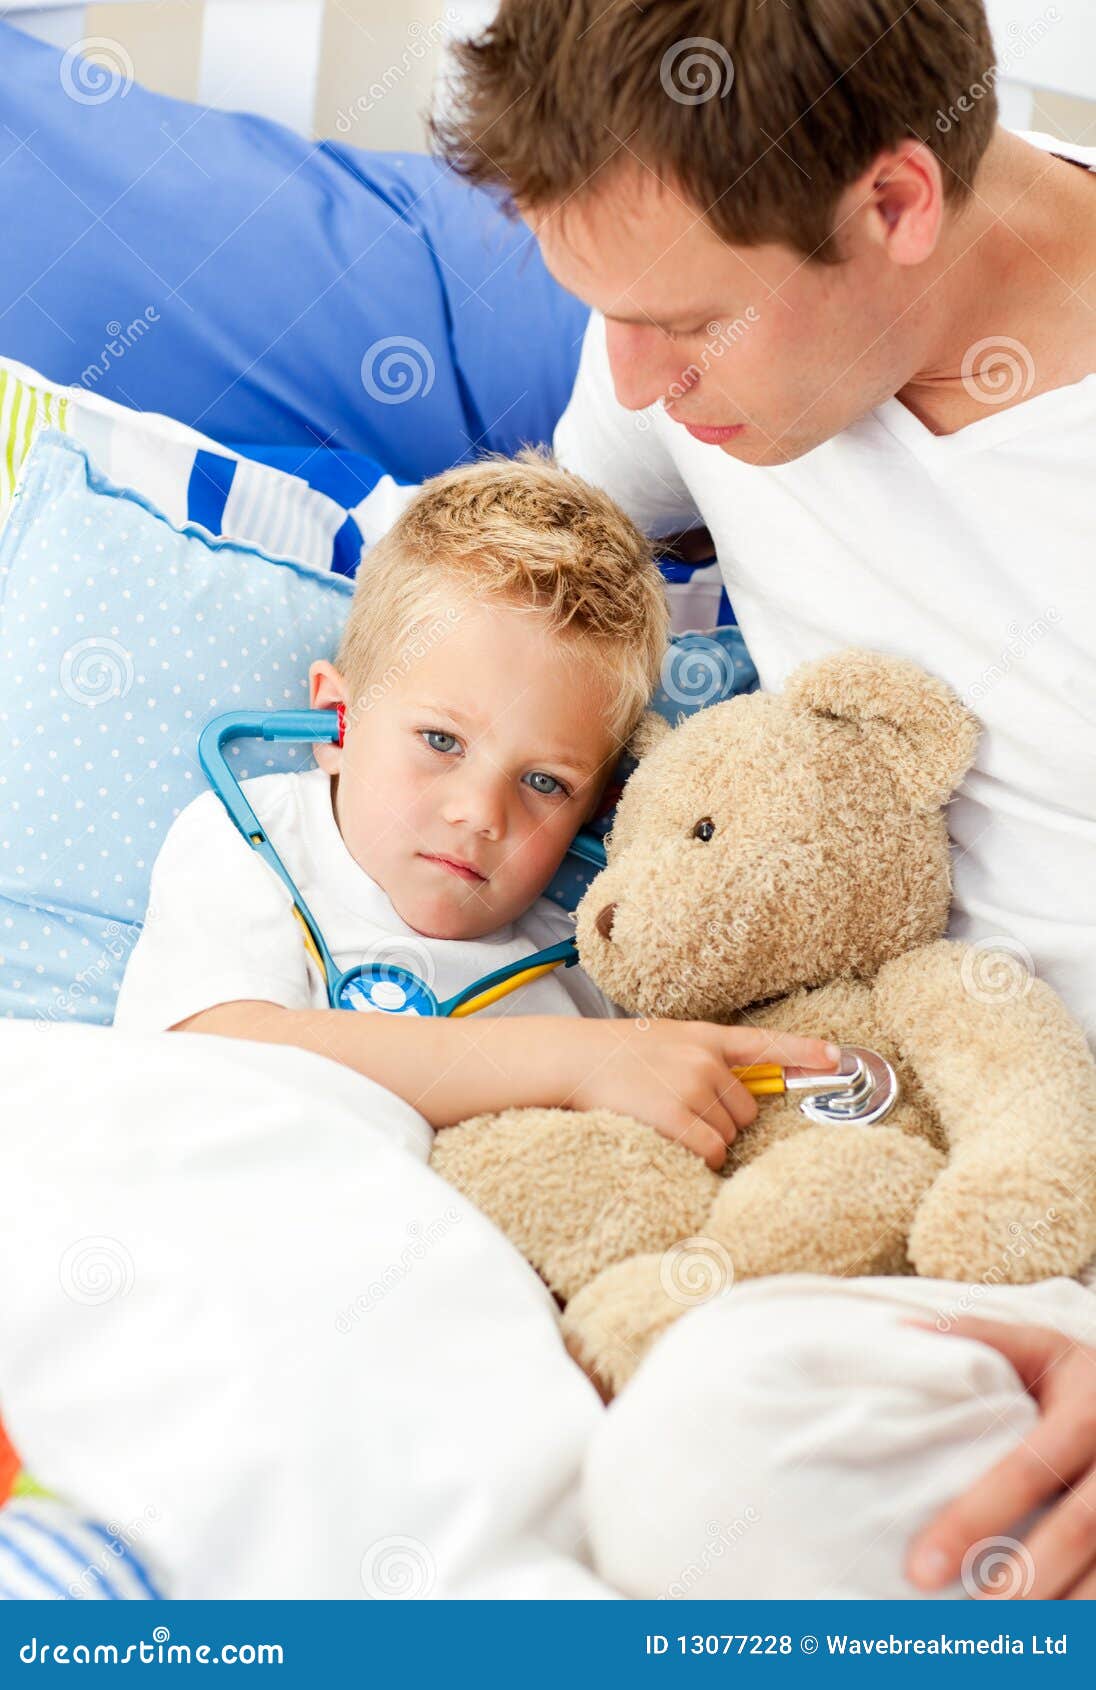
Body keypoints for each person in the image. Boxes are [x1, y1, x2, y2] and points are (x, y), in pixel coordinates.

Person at [433, 0, 1096, 1597]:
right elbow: (509, 590)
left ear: (893, 205)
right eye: (604, 317)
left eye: (688, 324)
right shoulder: (702, 370)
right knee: (697, 1459)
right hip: (902, 1175)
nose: (643, 388)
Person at [113, 449, 836, 1169]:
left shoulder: (591, 953)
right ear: (339, 717)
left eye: (546, 783)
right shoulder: (256, 841)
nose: (481, 813)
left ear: (599, 806)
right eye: (441, 741)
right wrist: (571, 1062)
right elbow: (214, 1053)